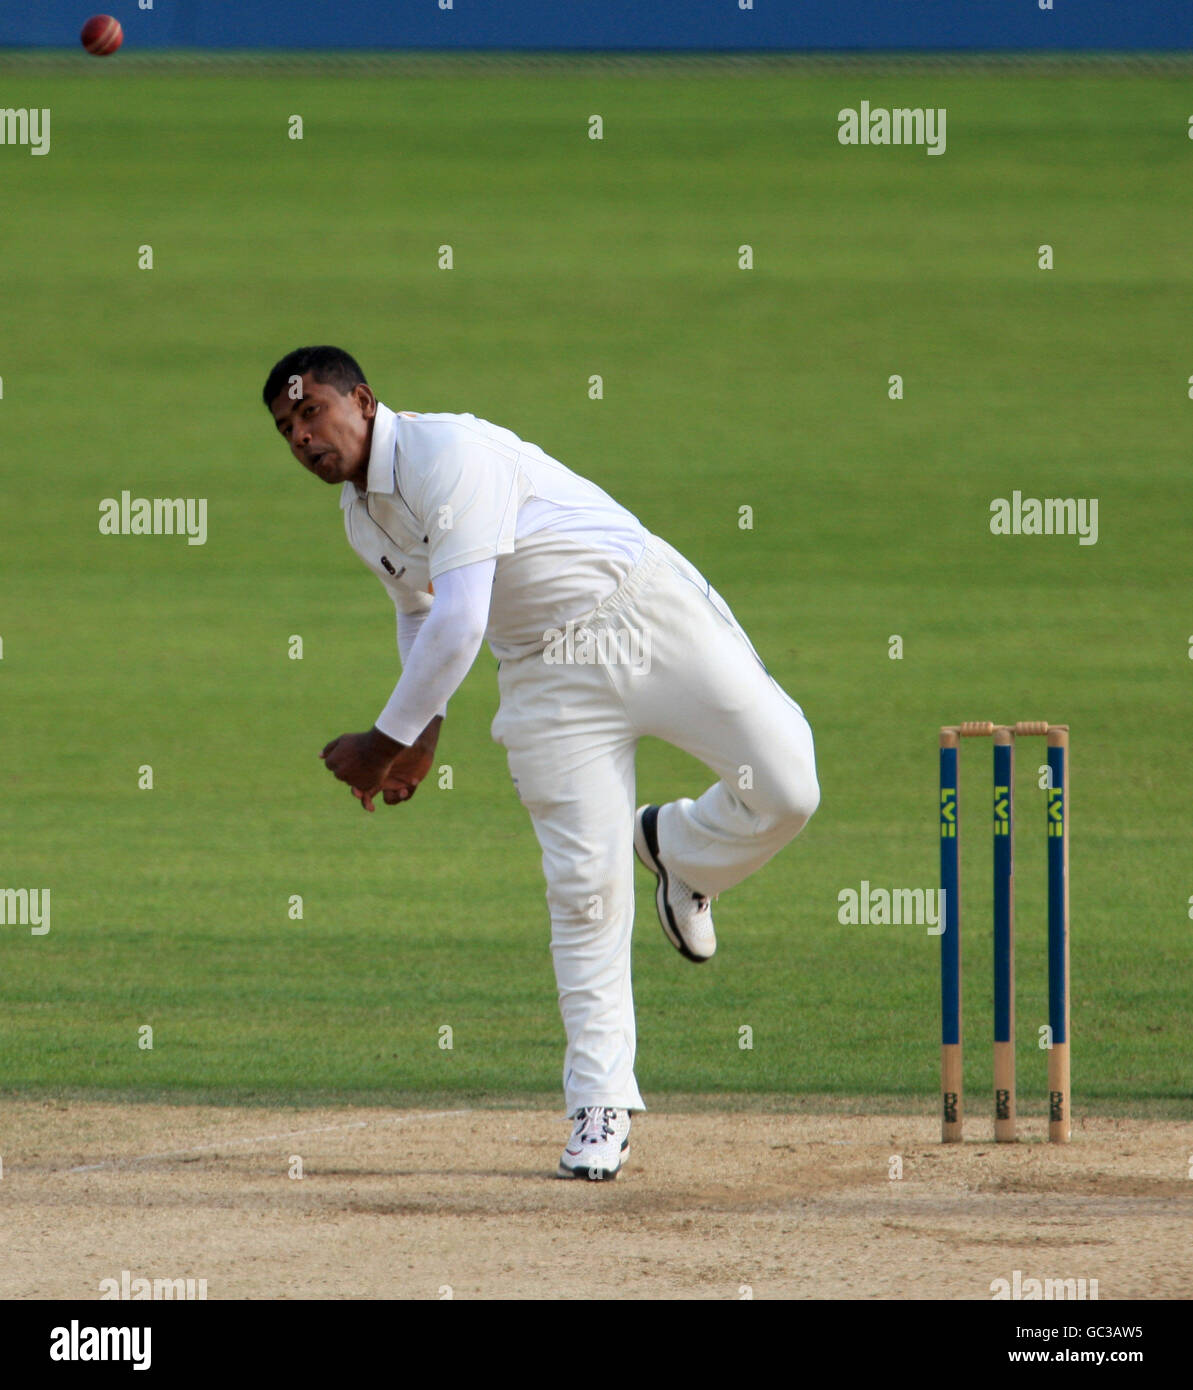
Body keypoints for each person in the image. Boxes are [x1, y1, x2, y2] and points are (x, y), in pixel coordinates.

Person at [263, 345, 820, 1180]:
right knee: (584, 890)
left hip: (642, 613)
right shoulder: (360, 518)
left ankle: (680, 849)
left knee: (787, 792)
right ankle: (600, 1104)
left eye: (312, 413)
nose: (303, 436)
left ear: (365, 401)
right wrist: (423, 734)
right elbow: (421, 615)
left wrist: (380, 742)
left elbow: (458, 622)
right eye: (285, 428)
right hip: (545, 678)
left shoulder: (447, 454)